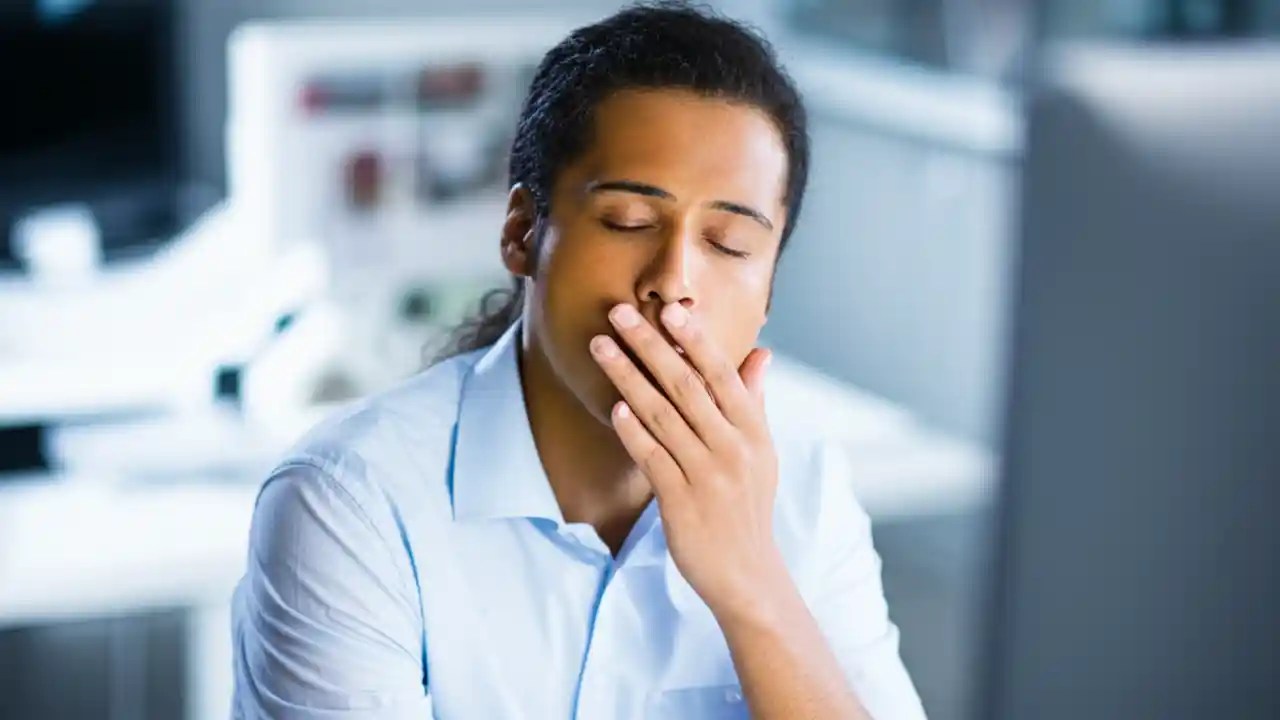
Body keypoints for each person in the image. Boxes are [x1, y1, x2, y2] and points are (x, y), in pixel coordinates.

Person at [231, 3, 925, 718]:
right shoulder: (350, 504)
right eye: (628, 222)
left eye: (728, 245)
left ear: (770, 287)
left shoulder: (805, 491)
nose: (674, 281)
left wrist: (752, 585)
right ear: (522, 231)